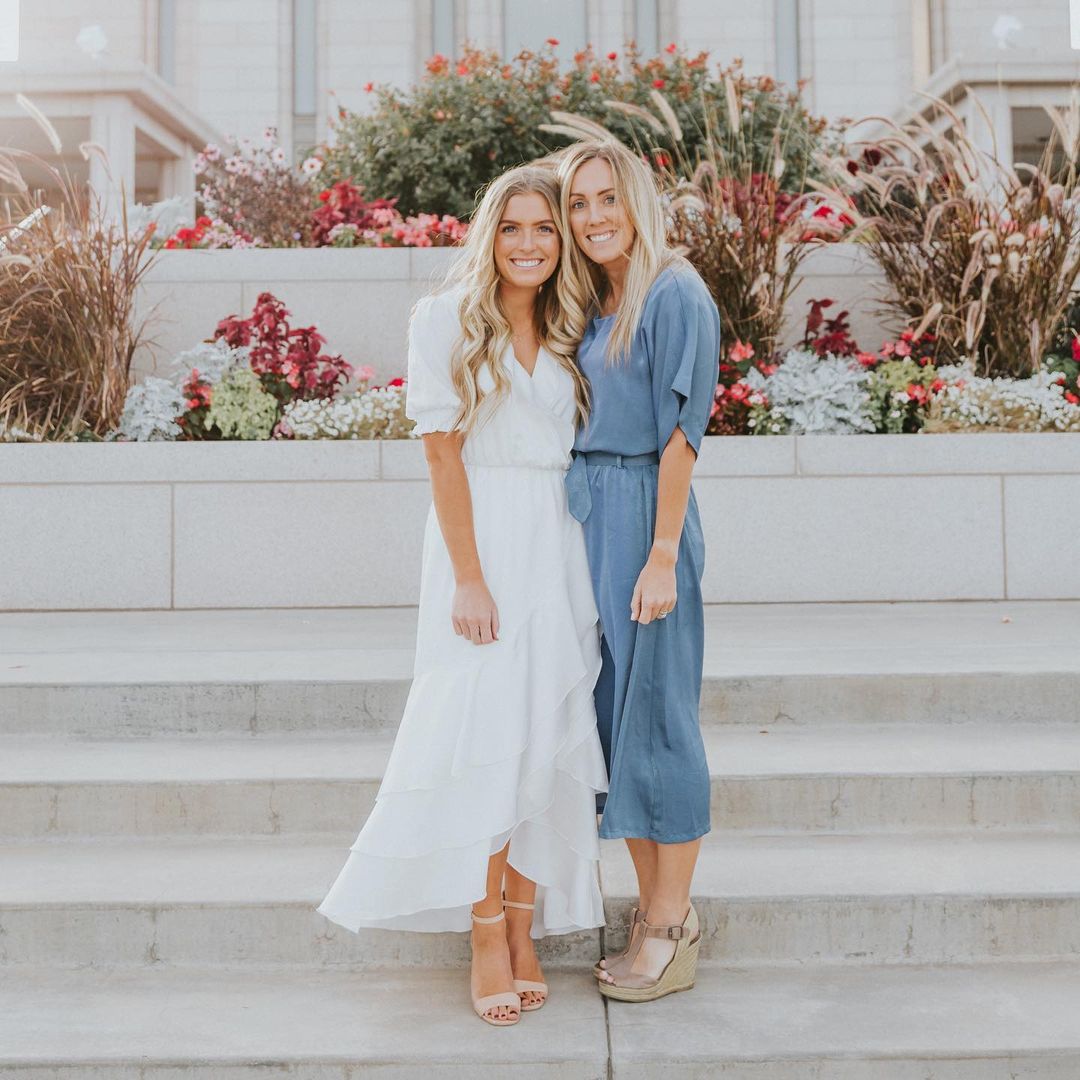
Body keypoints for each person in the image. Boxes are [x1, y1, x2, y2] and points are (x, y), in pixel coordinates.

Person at [317, 164, 608, 1027]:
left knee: (545, 732)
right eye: (513, 227)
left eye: (545, 228)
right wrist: (470, 577)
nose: (529, 244)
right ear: (490, 234)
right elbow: (442, 456)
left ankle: (525, 925)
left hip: (561, 544)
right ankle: (485, 930)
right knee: (482, 734)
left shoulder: (572, 324)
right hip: (479, 545)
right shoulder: (443, 319)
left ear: (562, 241)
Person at [556, 139, 721, 1003]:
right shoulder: (593, 295)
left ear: (638, 199)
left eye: (606, 199)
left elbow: (681, 433)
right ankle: (655, 908)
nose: (592, 218)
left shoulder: (673, 290)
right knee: (617, 723)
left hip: (647, 518)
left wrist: (660, 554)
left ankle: (669, 922)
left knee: (659, 720)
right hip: (592, 517)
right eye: (577, 203)